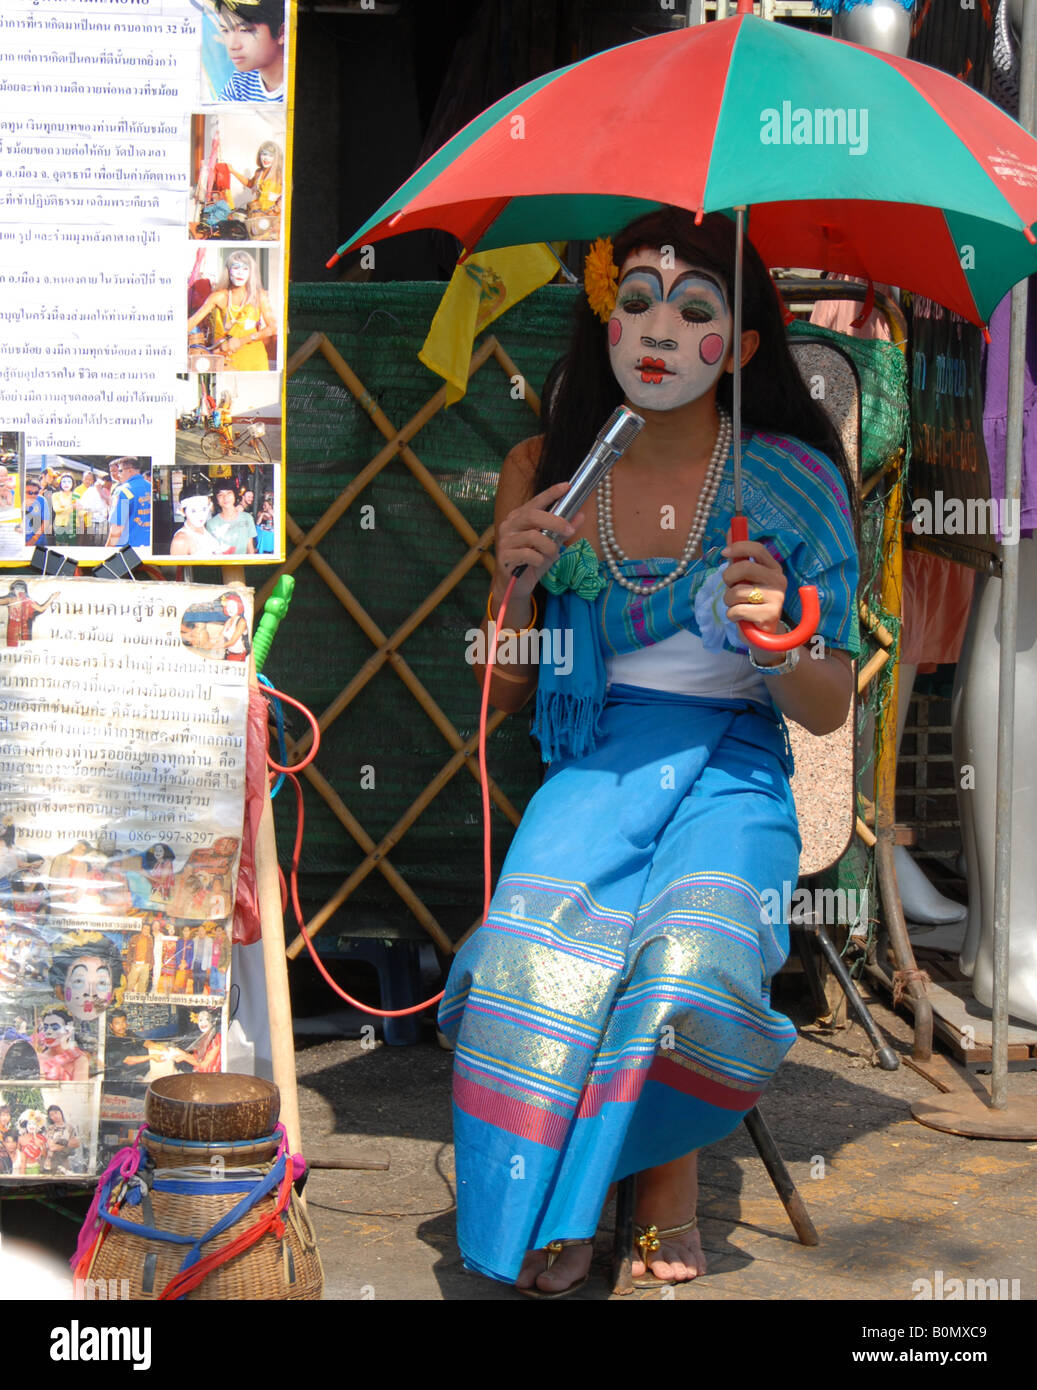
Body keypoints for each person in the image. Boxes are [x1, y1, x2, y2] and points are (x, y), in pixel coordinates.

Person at [437, 208, 860, 1294]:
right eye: (634, 301)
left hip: (732, 768)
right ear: (604, 320)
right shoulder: (549, 469)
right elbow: (508, 678)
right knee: (521, 958)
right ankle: (556, 1192)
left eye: (693, 307)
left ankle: (653, 1185)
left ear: (746, 348)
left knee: (688, 952)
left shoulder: (792, 481)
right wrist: (513, 583)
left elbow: (821, 709)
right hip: (598, 763)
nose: (657, 328)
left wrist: (775, 635)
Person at [186, 251, 277, 372]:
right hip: (227, 359)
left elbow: (273, 327)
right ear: (228, 271)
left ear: (251, 273)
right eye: (236, 267)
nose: (240, 272)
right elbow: (191, 322)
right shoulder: (218, 297)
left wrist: (243, 340)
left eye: (245, 268)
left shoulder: (259, 296)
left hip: (255, 360)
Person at [212, 0, 286, 103]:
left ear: (282, 33)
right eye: (225, 31)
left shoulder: (298, 87)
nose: (233, 45)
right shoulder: (240, 83)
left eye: (245, 30)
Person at [105, 457, 151, 550]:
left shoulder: (123, 491)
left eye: (120, 471)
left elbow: (117, 527)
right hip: (148, 548)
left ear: (130, 471)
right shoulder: (150, 487)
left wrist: (107, 550)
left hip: (127, 551)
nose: (118, 474)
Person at [229, 140, 283, 215]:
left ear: (276, 158)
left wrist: (279, 205)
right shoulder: (258, 172)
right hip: (258, 214)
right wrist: (232, 171)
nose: (266, 158)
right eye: (264, 154)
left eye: (270, 155)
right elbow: (250, 184)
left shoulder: (280, 174)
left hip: (274, 216)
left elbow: (288, 193)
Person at [35, 1007, 90, 1081]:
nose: (48, 1032)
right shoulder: (38, 1058)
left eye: (55, 1027)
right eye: (45, 1027)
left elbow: (80, 1090)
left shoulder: (78, 1059)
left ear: (68, 1031)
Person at [104, 1008, 152, 1083]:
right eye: (117, 1023)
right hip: (124, 1078)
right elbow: (128, 1060)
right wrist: (151, 1057)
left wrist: (160, 1048)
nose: (121, 1026)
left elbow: (144, 1042)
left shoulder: (128, 1033)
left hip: (139, 1071)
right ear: (111, 1026)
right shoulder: (111, 1042)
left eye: (123, 1022)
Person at [206, 484, 256, 554]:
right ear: (216, 500)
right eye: (220, 495)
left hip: (243, 563)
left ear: (235, 495)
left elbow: (250, 547)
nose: (225, 498)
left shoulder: (247, 518)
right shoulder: (211, 524)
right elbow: (211, 552)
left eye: (229, 493)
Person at [43, 1105, 83, 1174]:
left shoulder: (70, 1128)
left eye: (56, 1112)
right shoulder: (50, 1129)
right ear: (50, 1118)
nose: (55, 1116)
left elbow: (76, 1144)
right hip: (51, 1163)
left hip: (65, 1163)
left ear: (60, 1113)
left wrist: (61, 1143)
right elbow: (52, 1147)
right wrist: (66, 1144)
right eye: (52, 1115)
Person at [23, 476, 52, 548]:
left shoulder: (42, 500)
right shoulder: (18, 500)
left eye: (36, 493)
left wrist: (34, 539)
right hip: (20, 536)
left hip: (38, 536)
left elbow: (46, 522)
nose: (33, 495)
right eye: (29, 492)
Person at [50, 474, 77, 545]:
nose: (66, 484)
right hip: (60, 525)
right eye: (64, 482)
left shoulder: (76, 495)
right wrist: (71, 507)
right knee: (60, 546)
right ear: (60, 483)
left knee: (72, 546)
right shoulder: (55, 495)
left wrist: (64, 507)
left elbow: (78, 511)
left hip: (73, 525)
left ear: (73, 484)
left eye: (69, 482)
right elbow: (57, 509)